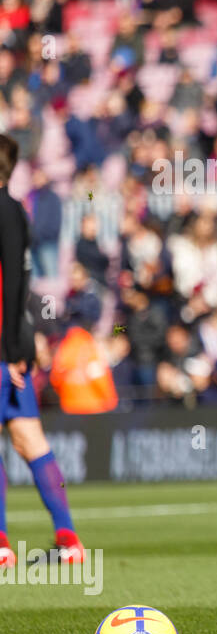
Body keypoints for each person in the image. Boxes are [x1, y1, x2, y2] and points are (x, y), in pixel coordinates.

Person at [0, 135, 86, 569]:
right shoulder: (15, 211)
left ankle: (0, 544)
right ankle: (67, 538)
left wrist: (14, 348)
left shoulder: (5, 211)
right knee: (27, 437)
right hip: (12, 341)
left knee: (25, 438)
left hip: (3, 346)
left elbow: (12, 285)